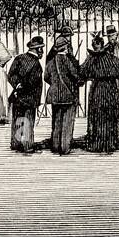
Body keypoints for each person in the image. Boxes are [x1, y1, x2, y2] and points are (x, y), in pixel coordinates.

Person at [81, 33, 119, 152]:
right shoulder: (112, 59)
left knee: (100, 115)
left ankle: (98, 143)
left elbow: (82, 73)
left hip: (98, 89)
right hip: (110, 89)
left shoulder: (91, 59)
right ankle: (109, 143)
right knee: (106, 115)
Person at [45, 27, 84, 155]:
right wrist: (79, 81)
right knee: (67, 122)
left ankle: (55, 147)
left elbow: (46, 77)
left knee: (56, 121)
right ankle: (65, 147)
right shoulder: (67, 60)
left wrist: (55, 84)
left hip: (55, 95)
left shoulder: (51, 62)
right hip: (68, 95)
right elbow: (75, 75)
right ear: (65, 47)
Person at [7, 36, 45, 152]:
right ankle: (27, 145)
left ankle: (16, 143)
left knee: (18, 120)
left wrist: (17, 85)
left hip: (18, 96)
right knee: (28, 120)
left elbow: (10, 75)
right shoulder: (36, 64)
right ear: (38, 50)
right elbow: (33, 82)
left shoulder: (19, 58)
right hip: (30, 97)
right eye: (41, 49)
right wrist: (24, 87)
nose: (42, 52)